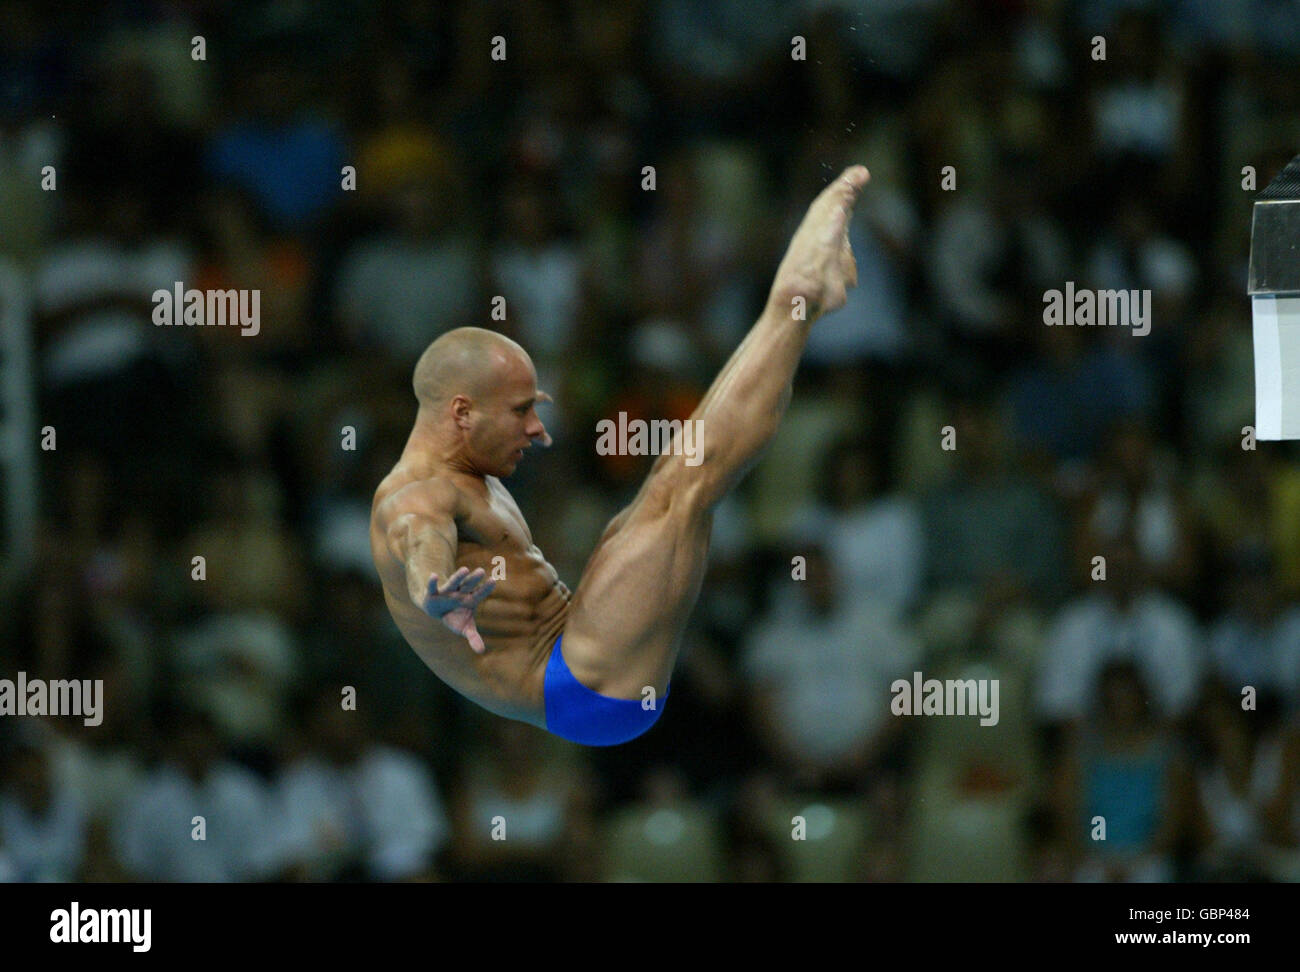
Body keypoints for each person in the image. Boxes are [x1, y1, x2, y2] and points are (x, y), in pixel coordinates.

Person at [370, 166, 870, 746]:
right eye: (520, 412)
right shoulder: (414, 492)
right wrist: (433, 591)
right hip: (574, 683)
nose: (538, 430)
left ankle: (801, 303)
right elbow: (418, 537)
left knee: (667, 496)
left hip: (583, 665)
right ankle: (799, 297)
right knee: (678, 485)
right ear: (462, 412)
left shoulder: (466, 477)